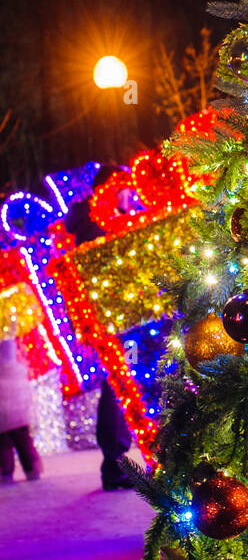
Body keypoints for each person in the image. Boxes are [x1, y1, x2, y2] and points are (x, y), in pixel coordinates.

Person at [65, 168, 135, 490]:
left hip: (115, 318)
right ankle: (114, 462)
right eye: (124, 186)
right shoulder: (100, 223)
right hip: (117, 319)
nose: (129, 193)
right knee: (120, 385)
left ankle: (115, 462)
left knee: (119, 384)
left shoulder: (92, 221)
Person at [0, 334, 43, 483]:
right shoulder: (20, 371)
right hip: (19, 419)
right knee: (24, 444)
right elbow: (26, 395)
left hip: (4, 419)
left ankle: (6, 472)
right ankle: (31, 469)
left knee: (5, 446)